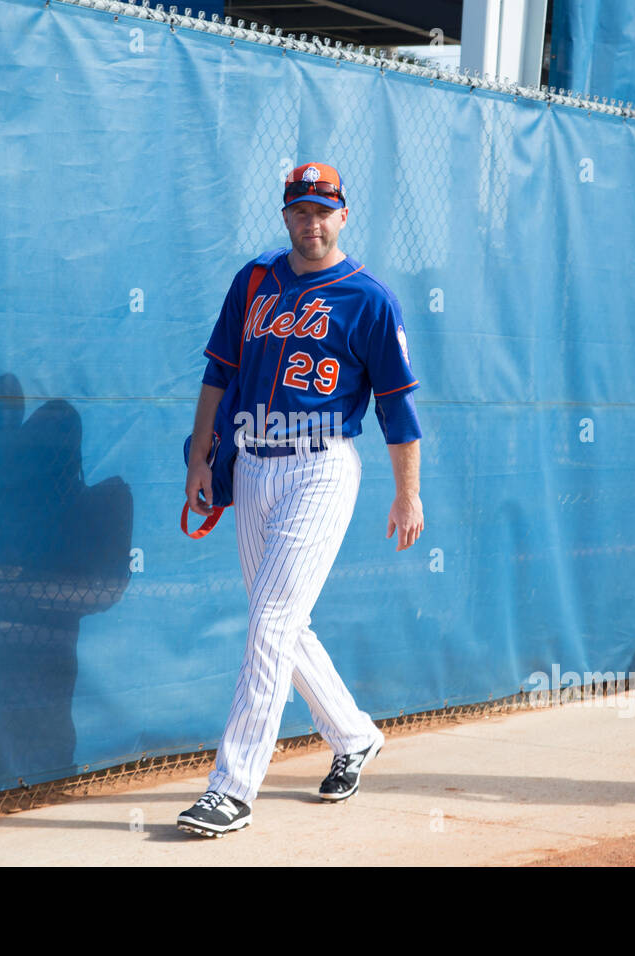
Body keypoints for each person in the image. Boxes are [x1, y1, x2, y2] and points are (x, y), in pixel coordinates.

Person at [177, 162, 425, 837]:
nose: (311, 223)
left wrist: (408, 493)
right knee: (282, 624)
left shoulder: (369, 298)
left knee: (270, 625)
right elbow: (217, 373)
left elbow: (397, 409)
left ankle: (232, 789)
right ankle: (353, 736)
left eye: (324, 211)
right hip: (254, 465)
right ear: (285, 216)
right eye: (300, 211)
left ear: (344, 215)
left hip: (321, 467)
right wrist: (202, 455)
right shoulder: (255, 280)